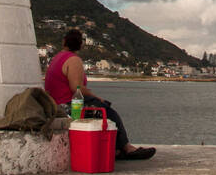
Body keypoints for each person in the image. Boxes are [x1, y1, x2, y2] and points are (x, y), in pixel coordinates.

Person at [44, 29, 154, 160]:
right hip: (68, 105)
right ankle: (126, 148)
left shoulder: (57, 58)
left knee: (103, 108)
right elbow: (77, 88)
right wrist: (96, 97)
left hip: (55, 104)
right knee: (108, 112)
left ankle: (116, 150)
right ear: (81, 45)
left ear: (64, 42)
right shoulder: (73, 60)